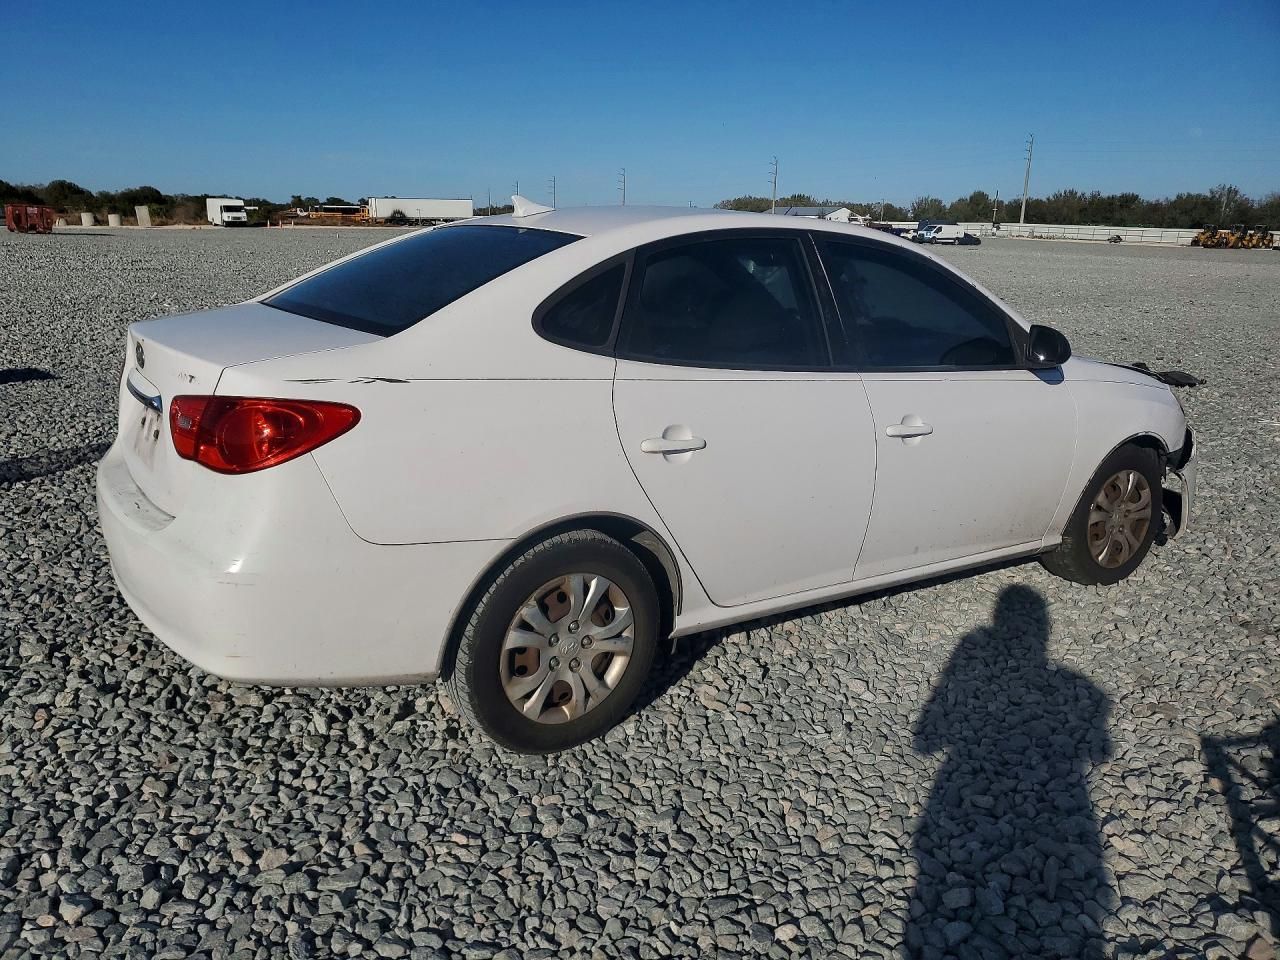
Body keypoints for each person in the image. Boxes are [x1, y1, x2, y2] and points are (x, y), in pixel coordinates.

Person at [906, 585, 1114, 959]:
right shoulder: (1085, 690)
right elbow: (1101, 751)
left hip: (956, 778)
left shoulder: (974, 644)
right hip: (1069, 799)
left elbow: (925, 739)